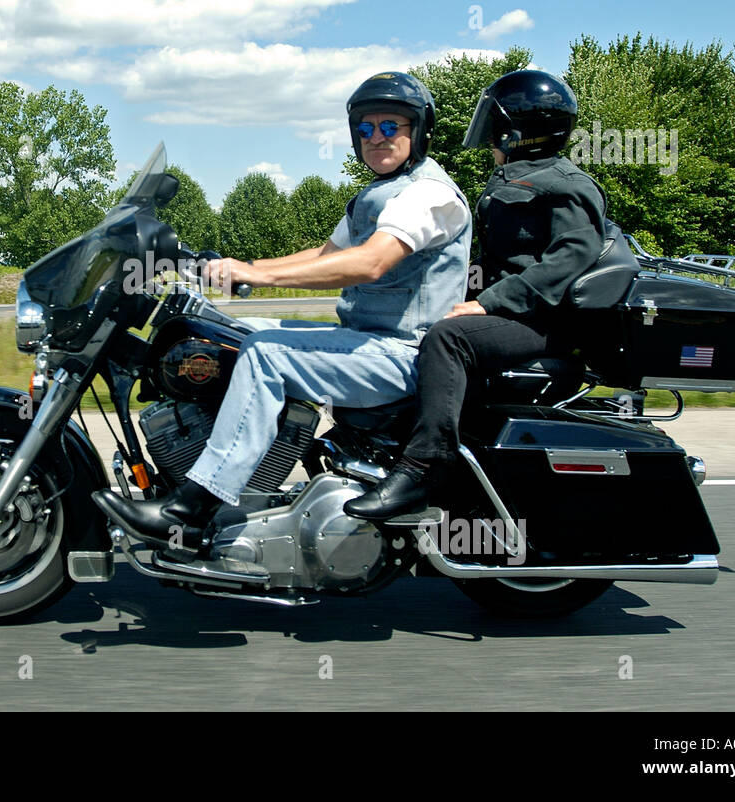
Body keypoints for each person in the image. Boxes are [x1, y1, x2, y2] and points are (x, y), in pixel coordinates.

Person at [95, 71, 472, 554]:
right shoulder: (378, 195)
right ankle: (199, 467)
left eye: (390, 126)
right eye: (366, 128)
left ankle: (193, 506)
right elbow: (323, 254)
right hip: (364, 341)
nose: (376, 137)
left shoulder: (429, 194)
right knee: (226, 332)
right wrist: (240, 269)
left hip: (400, 355)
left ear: (417, 131)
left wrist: (260, 276)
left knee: (265, 354)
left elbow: (371, 262)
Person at [344, 69, 609, 520]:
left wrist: (489, 302)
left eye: (495, 125)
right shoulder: (513, 180)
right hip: (513, 316)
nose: (488, 136)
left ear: (520, 130)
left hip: (542, 323)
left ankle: (424, 466)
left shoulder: (567, 184)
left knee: (449, 338)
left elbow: (569, 261)